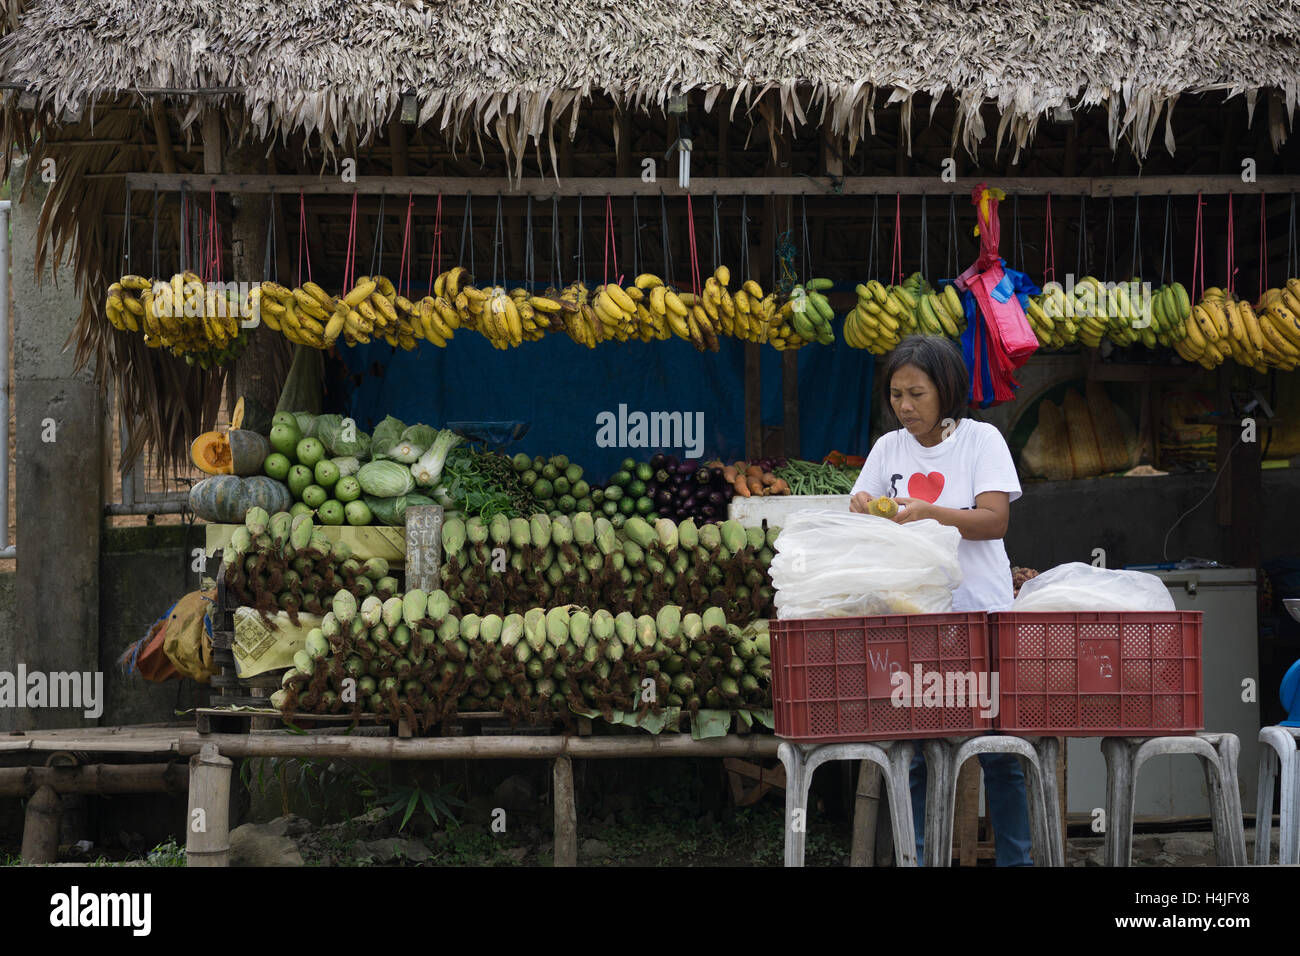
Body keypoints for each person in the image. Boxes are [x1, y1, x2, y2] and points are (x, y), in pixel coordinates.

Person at [848, 334, 1031, 866]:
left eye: (917, 394)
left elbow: (994, 520)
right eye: (896, 394)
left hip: (983, 615)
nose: (904, 407)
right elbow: (866, 512)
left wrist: (931, 514)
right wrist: (864, 506)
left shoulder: (981, 440)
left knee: (998, 751)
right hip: (917, 620)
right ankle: (920, 858)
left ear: (946, 390)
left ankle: (1018, 861)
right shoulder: (888, 449)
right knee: (920, 754)